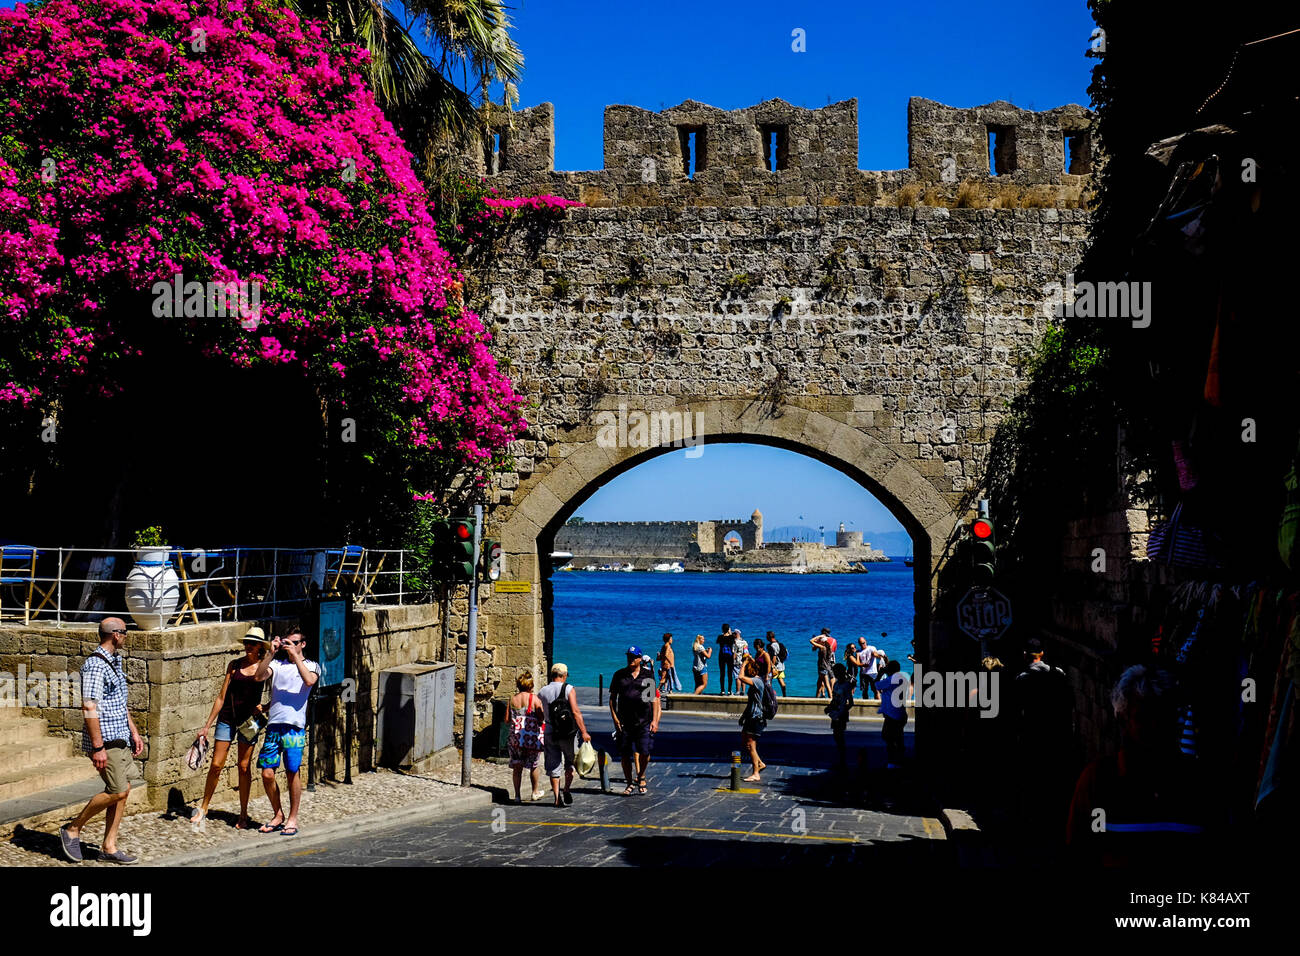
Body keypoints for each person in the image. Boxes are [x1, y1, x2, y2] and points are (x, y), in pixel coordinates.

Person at [1065, 665, 1208, 866]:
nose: (1155, 726)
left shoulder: (1200, 784)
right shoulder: (1098, 782)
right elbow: (1079, 856)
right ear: (1123, 720)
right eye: (1144, 717)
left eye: (1163, 715)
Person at [60, 618, 144, 864]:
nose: (127, 636)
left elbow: (119, 702)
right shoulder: (96, 666)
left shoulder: (114, 662)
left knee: (123, 790)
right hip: (106, 741)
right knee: (117, 790)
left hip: (120, 737)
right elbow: (89, 706)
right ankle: (72, 829)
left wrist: (134, 731)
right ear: (116, 635)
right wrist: (97, 747)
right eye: (125, 632)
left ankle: (109, 846)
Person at [192, 626, 270, 832]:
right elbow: (221, 696)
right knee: (216, 764)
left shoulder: (265, 668)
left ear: (260, 646)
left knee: (243, 767)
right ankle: (204, 807)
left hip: (250, 721)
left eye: (252, 643)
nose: (248, 646)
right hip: (228, 717)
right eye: (246, 642)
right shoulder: (234, 665)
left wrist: (266, 706)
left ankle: (243, 813)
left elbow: (278, 692)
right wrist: (207, 725)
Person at [253, 628, 320, 836]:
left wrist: (295, 657)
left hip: (294, 728)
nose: (289, 645)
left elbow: (309, 681)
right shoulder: (277, 665)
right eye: (287, 642)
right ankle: (278, 814)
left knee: (292, 772)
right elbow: (258, 677)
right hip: (274, 727)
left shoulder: (311, 665)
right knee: (267, 772)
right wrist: (270, 653)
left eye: (294, 642)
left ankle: (293, 818)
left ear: (303, 644)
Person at [537, 663, 591, 808]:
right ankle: (566, 788)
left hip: (550, 731)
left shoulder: (542, 691)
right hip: (568, 734)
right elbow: (575, 712)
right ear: (564, 675)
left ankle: (556, 798)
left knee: (554, 765)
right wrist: (584, 731)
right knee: (570, 763)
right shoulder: (568, 689)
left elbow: (540, 712)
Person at [609, 646, 660, 795]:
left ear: (639, 659)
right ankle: (629, 782)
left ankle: (641, 776)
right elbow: (612, 699)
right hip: (624, 721)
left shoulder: (647, 675)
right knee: (625, 754)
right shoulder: (620, 675)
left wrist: (655, 721)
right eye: (629, 656)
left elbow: (653, 700)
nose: (630, 659)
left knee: (645, 752)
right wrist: (615, 718)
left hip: (644, 720)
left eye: (633, 657)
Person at [506, 671, 547, 803]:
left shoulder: (512, 699)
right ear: (530, 686)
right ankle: (534, 792)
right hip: (531, 738)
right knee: (534, 765)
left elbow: (507, 720)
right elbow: (541, 718)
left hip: (515, 739)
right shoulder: (534, 699)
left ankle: (517, 796)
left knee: (517, 767)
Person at [735, 659, 768, 782]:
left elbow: (740, 677)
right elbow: (751, 703)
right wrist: (743, 716)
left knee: (750, 745)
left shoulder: (757, 681)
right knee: (745, 740)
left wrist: (742, 664)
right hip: (751, 716)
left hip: (757, 717)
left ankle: (755, 773)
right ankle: (760, 763)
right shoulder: (755, 682)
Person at [877, 659, 909, 769]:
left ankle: (893, 761)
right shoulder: (902, 679)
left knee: (887, 736)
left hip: (892, 715)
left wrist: (880, 673)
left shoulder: (890, 680)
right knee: (898, 738)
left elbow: (876, 685)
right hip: (900, 712)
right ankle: (900, 760)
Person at [826, 662, 854, 770]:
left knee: (840, 735)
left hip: (841, 713)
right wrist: (830, 707)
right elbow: (834, 699)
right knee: (836, 735)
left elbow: (851, 702)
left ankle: (842, 759)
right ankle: (840, 756)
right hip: (835, 712)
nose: (835, 674)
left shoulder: (846, 685)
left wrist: (843, 710)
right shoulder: (836, 684)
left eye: (837, 672)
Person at [810, 629, 836, 698]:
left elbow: (811, 641)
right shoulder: (829, 648)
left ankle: (831, 699)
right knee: (819, 684)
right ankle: (816, 698)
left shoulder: (822, 648)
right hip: (826, 667)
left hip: (822, 667)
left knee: (827, 685)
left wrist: (820, 636)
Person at [716, 624, 736, 695]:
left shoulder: (720, 637)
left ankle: (722, 690)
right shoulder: (732, 637)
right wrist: (730, 633)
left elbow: (717, 642)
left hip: (721, 656)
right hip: (730, 656)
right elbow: (734, 642)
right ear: (728, 629)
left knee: (722, 673)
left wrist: (724, 633)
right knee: (729, 674)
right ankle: (729, 690)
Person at [766, 631, 788, 697]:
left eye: (767, 636)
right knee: (781, 680)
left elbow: (774, 656)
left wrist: (772, 666)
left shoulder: (772, 645)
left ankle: (769, 695)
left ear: (769, 637)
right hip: (781, 665)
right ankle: (784, 695)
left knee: (769, 680)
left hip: (775, 666)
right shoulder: (779, 643)